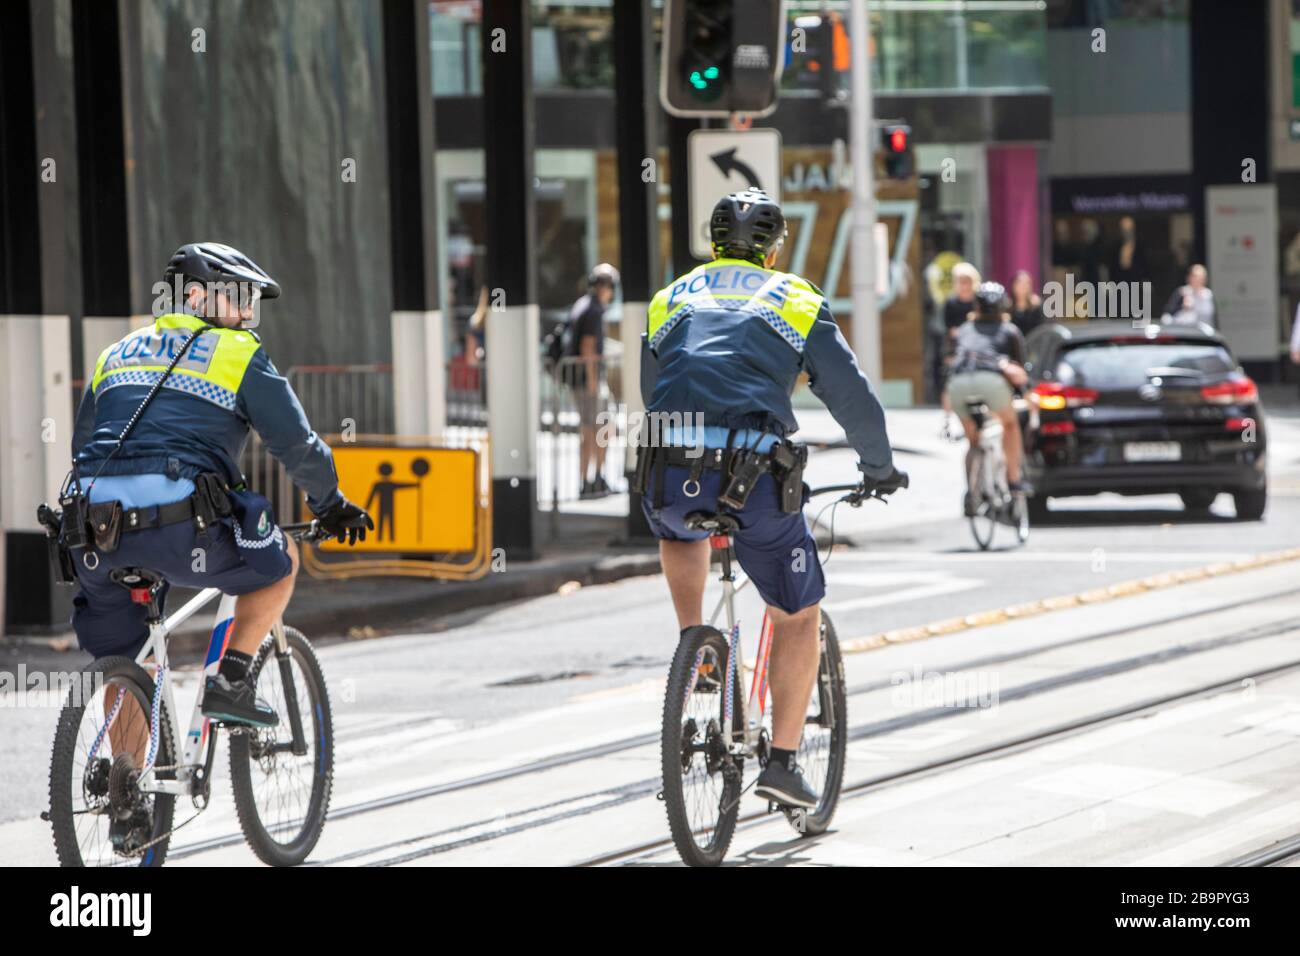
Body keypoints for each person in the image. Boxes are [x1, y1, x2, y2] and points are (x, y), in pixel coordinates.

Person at [638, 189, 906, 809]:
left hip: (666, 473)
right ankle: (783, 764)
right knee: (797, 613)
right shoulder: (794, 297)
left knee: (681, 528)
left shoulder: (669, 298)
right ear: (775, 248)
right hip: (751, 478)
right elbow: (853, 397)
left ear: (711, 242)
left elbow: (657, 390)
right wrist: (879, 468)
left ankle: (698, 647)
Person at [71, 243, 373, 732]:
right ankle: (230, 683)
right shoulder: (237, 353)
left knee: (127, 658)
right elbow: (296, 445)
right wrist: (331, 504)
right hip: (181, 532)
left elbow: (82, 445)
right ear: (194, 297)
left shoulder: (113, 354)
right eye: (239, 300)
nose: (248, 315)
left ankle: (127, 798)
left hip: (92, 537)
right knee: (281, 563)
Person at [944, 281, 1031, 514]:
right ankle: (1014, 485)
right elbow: (1020, 373)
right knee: (1010, 426)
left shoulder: (963, 329)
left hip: (958, 383)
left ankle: (971, 494)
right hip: (991, 381)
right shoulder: (1010, 330)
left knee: (973, 442)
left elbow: (950, 359)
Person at [565, 263, 620, 498]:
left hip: (582, 380)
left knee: (596, 428)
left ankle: (592, 478)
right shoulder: (594, 310)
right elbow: (587, 348)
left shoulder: (583, 305)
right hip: (588, 382)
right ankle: (591, 480)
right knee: (594, 429)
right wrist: (593, 383)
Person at [1160, 263, 1216, 329]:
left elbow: (1214, 319)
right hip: (1185, 332)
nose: (1197, 280)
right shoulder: (1181, 292)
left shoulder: (1209, 295)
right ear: (1189, 278)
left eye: (1200, 278)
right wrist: (1182, 307)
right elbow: (1167, 315)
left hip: (1204, 334)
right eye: (1195, 277)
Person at [1008, 270, 1044, 338]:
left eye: (1026, 283)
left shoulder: (1037, 306)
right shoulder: (1008, 307)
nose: (1023, 287)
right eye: (1019, 283)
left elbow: (1041, 329)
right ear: (1013, 286)